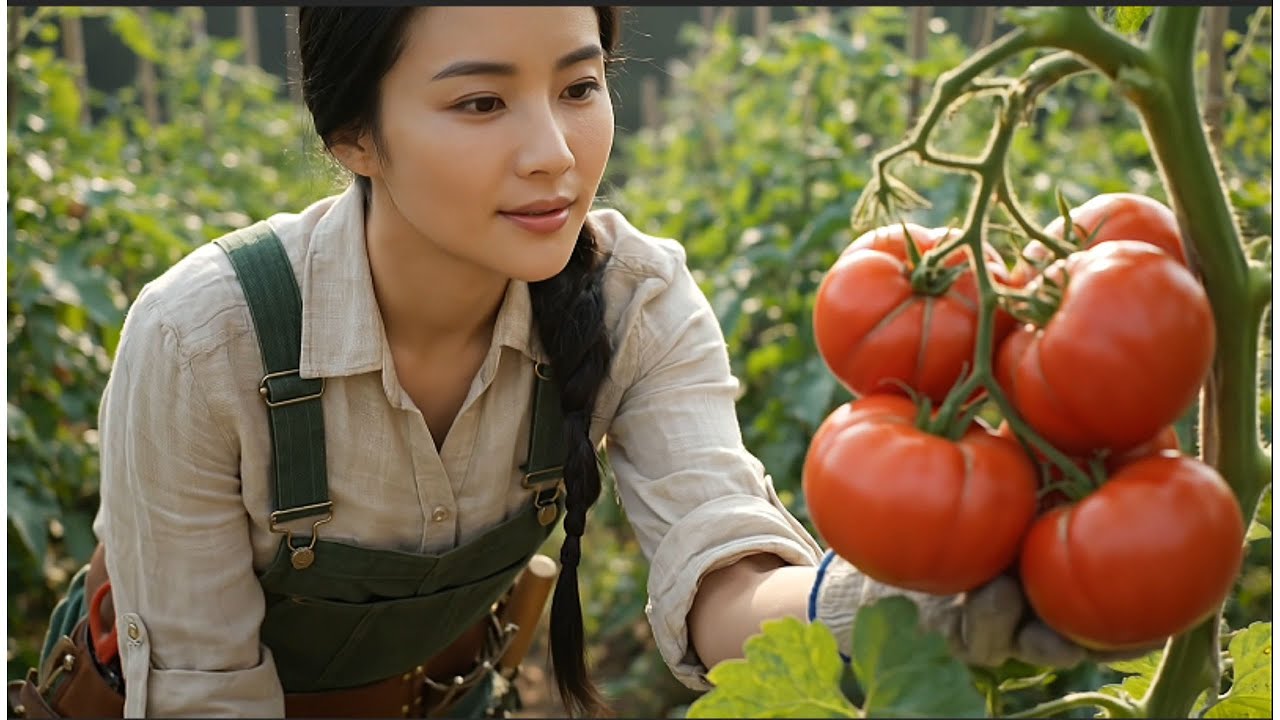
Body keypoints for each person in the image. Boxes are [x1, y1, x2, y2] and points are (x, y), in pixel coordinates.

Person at [9, 7, 1120, 719]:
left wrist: (896, 599)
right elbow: (204, 697)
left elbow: (721, 576)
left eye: (578, 87)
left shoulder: (632, 299)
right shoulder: (208, 338)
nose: (553, 153)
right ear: (354, 137)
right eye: (479, 101)